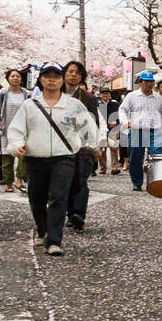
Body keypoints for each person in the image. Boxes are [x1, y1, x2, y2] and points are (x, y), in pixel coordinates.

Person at [7, 62, 99, 256]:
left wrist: (93, 145)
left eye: (56, 76)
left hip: (63, 157)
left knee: (58, 197)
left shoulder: (73, 105)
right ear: (40, 79)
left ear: (62, 80)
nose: (52, 80)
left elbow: (88, 128)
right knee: (36, 197)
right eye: (47, 76)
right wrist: (17, 145)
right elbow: (16, 129)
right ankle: (43, 229)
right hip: (35, 157)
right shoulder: (29, 105)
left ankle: (54, 241)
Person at [63, 61, 105, 231]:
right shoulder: (55, 94)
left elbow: (93, 121)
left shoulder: (87, 97)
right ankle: (69, 212)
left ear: (81, 77)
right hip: (60, 145)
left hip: (82, 146)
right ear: (64, 74)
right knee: (64, 180)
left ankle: (78, 214)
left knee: (80, 179)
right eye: (70, 71)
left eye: (77, 73)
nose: (73, 75)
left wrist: (94, 146)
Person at [118, 71, 162, 191]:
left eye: (151, 82)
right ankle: (137, 182)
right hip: (136, 130)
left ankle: (153, 181)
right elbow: (122, 110)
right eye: (147, 81)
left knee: (156, 156)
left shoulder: (158, 98)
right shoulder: (132, 96)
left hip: (154, 130)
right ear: (140, 82)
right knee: (135, 157)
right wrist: (125, 122)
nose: (149, 84)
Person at [0, 69, 31, 193]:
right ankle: (8, 182)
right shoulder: (2, 93)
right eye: (12, 76)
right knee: (7, 159)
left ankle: (19, 180)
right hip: (6, 129)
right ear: (8, 78)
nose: (15, 78)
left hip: (22, 128)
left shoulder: (26, 94)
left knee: (23, 156)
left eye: (18, 76)